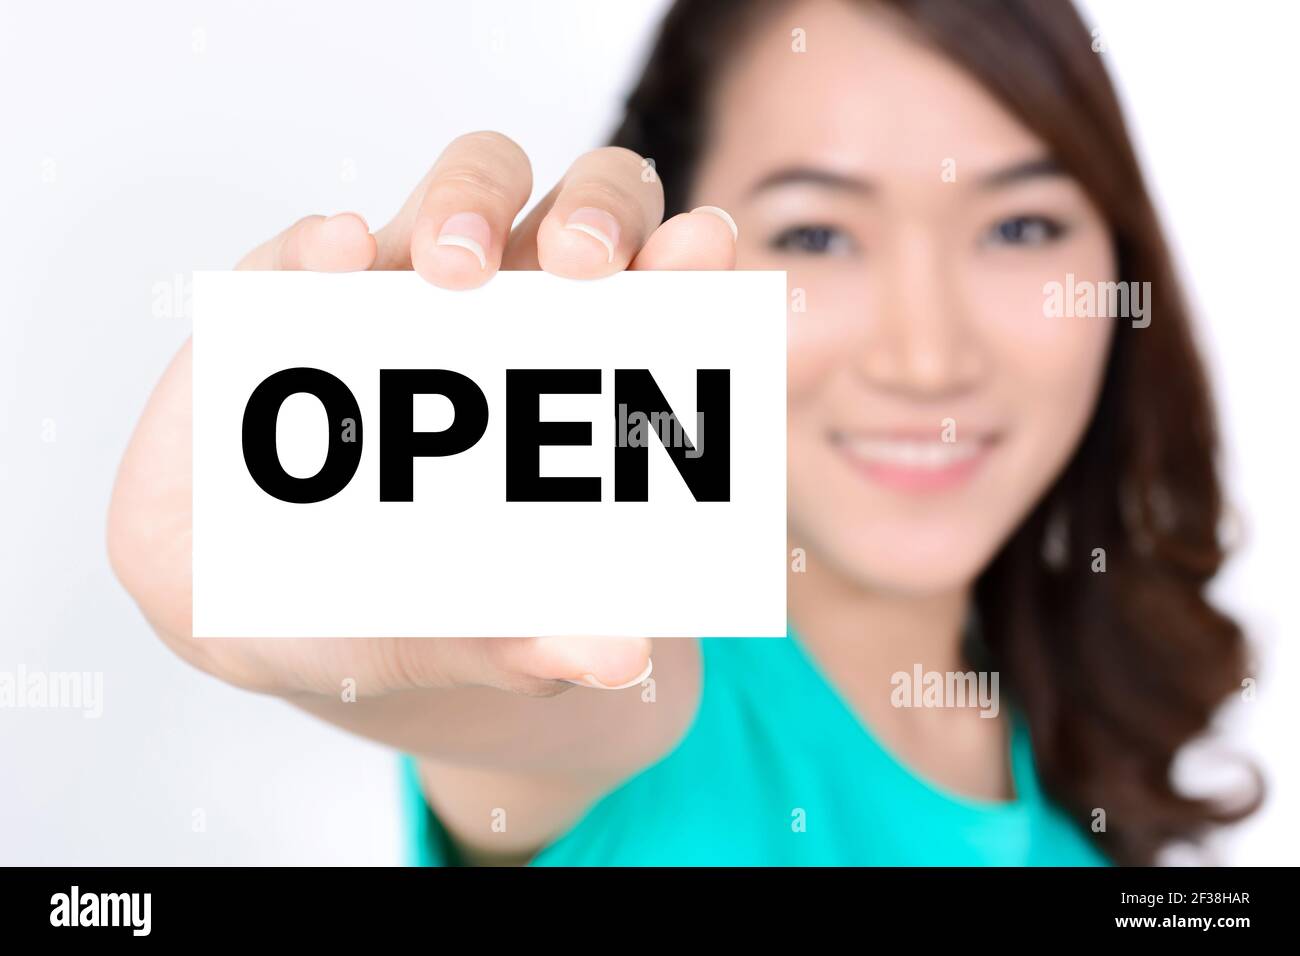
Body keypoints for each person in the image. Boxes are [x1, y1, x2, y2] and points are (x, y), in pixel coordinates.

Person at [107, 0, 1258, 866]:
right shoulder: (644, 676)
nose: (929, 355)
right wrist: (293, 560)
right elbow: (547, 693)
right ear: (669, 269)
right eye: (815, 237)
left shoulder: (1074, 714)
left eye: (1017, 224)